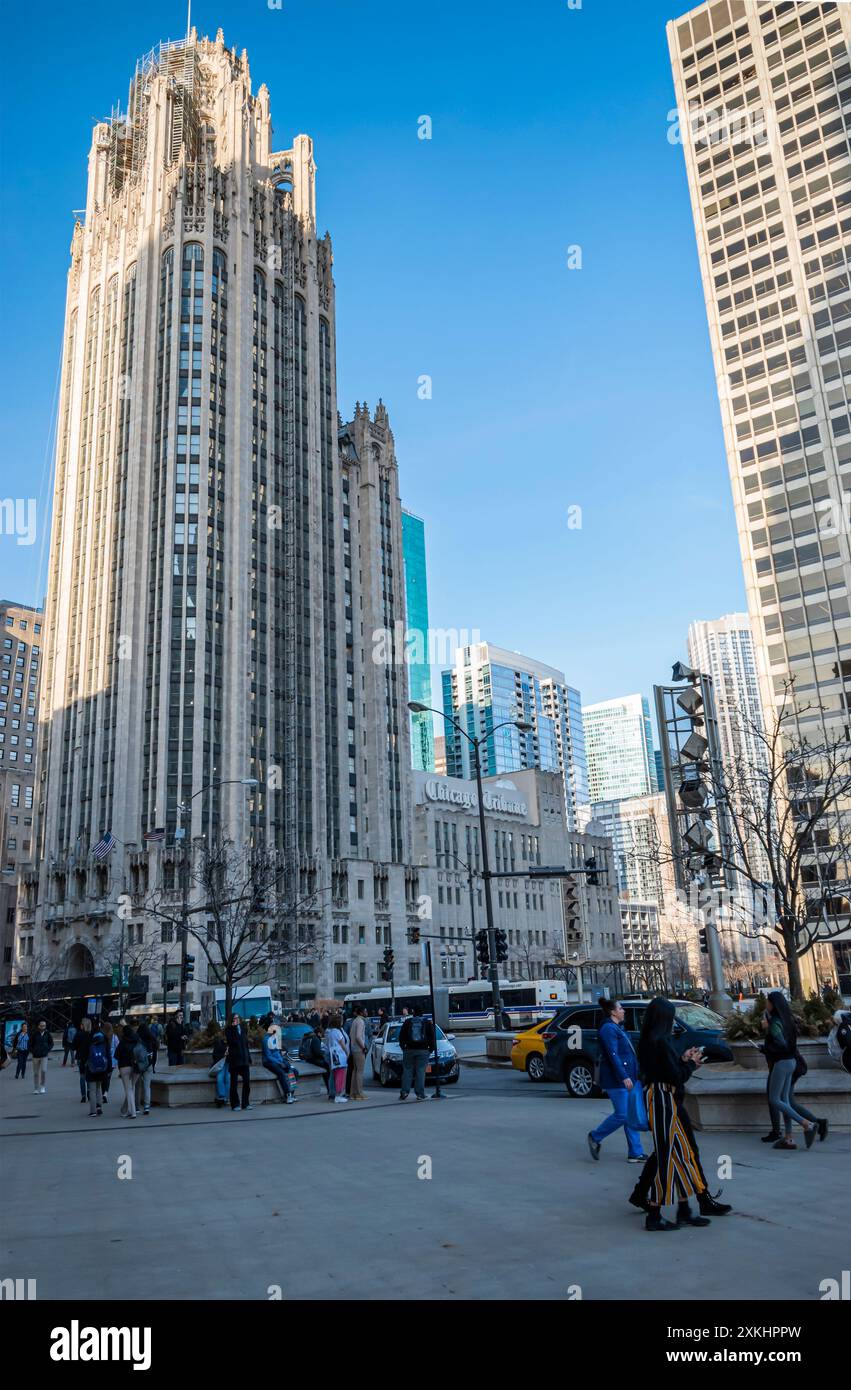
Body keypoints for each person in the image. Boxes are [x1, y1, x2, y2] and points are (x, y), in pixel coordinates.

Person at [636, 997, 711, 1232]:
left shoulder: (649, 1040)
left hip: (658, 1097)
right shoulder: (662, 1041)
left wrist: (682, 1059)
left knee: (678, 1153)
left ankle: (683, 1209)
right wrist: (692, 1064)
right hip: (663, 1099)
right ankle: (655, 1213)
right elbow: (676, 1076)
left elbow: (664, 1069)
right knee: (669, 1155)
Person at [763, 991, 826, 1149]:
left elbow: (780, 1045)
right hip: (792, 1061)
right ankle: (789, 1138)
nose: (765, 1004)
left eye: (767, 1002)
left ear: (773, 1004)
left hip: (782, 1062)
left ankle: (807, 1124)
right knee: (785, 1100)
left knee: (774, 1099)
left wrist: (766, 1040)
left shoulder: (776, 1023)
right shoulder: (788, 1019)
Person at [587, 998, 646, 1164]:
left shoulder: (616, 1028)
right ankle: (595, 1136)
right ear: (613, 1012)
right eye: (620, 1008)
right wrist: (624, 1076)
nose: (623, 1010)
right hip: (617, 1079)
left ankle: (635, 1152)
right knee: (622, 1114)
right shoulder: (608, 1029)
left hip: (628, 1077)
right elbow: (613, 1055)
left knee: (630, 1115)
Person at [398, 1005, 434, 1102]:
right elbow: (431, 1037)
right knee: (421, 1071)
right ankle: (420, 1094)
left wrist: (403, 1047)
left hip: (409, 1050)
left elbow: (401, 1036)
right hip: (423, 1050)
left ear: (413, 1013)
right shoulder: (426, 1022)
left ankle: (404, 1092)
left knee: (407, 1071)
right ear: (422, 1013)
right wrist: (430, 1049)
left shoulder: (407, 1022)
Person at [261, 1021, 297, 1104]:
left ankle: (291, 1093)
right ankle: (287, 1094)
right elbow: (268, 1056)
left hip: (278, 1060)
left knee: (294, 1071)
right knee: (280, 1072)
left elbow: (278, 1053)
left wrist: (282, 1061)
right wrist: (279, 1062)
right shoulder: (266, 1040)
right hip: (268, 1061)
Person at [225, 1013, 252, 1111]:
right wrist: (234, 1028)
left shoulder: (244, 1029)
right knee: (234, 1083)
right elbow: (232, 1041)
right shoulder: (229, 1030)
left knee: (247, 1082)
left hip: (244, 1059)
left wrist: (249, 1057)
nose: (237, 1020)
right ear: (231, 1020)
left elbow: (246, 1044)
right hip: (235, 1060)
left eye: (238, 1018)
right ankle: (235, 1104)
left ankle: (246, 1103)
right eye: (235, 1018)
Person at [85, 1024, 112, 1116]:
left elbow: (84, 1055)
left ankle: (93, 1111)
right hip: (102, 1068)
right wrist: (109, 1068)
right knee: (98, 1087)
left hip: (91, 1069)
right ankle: (99, 1106)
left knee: (92, 1089)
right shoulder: (104, 1040)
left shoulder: (89, 1040)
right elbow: (108, 1055)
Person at [324, 1013, 350, 1103]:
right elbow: (342, 1044)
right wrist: (347, 1053)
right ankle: (338, 1095)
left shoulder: (330, 1032)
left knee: (335, 1075)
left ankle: (335, 1094)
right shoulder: (337, 1032)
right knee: (340, 1075)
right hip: (341, 1056)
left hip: (334, 1057)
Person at [116, 1024, 140, 1118]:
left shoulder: (122, 1042)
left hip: (124, 1067)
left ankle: (132, 1112)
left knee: (128, 1089)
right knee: (131, 1088)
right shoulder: (137, 1040)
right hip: (136, 1067)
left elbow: (116, 1055)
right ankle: (125, 1109)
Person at [348, 1004, 369, 1101]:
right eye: (365, 1011)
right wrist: (363, 1047)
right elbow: (358, 1036)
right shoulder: (361, 1021)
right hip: (359, 1049)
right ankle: (359, 1093)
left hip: (353, 1048)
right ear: (361, 1012)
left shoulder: (354, 1021)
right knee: (360, 1071)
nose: (366, 1012)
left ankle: (353, 1093)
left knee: (355, 1071)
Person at [135, 1020, 155, 1115]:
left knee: (137, 1086)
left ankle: (136, 1106)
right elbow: (154, 1054)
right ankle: (147, 1106)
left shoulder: (137, 1039)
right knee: (147, 1086)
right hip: (148, 1065)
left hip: (139, 1065)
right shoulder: (151, 1039)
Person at [30, 1020, 54, 1094]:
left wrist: (47, 1050)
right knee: (36, 1073)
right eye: (42, 1025)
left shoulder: (47, 1034)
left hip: (44, 1056)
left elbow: (51, 1043)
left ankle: (42, 1086)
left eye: (44, 1025)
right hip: (35, 1056)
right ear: (38, 1026)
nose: (43, 1027)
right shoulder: (34, 1034)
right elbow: (30, 1044)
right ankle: (36, 1088)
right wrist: (33, 1051)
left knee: (43, 1071)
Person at [74, 1018, 92, 1102]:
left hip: (80, 1057)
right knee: (88, 1076)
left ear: (83, 1025)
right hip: (89, 1057)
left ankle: (83, 1095)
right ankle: (89, 1092)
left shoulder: (79, 1034)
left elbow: (74, 1046)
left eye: (81, 1024)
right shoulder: (91, 1034)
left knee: (82, 1076)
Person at [211, 1031, 230, 1108]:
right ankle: (222, 1096)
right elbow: (214, 1056)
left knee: (228, 1078)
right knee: (220, 1078)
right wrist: (223, 1054)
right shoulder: (218, 1043)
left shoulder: (232, 1043)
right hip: (220, 1064)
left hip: (229, 1064)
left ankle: (225, 1098)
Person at [100, 1021, 118, 1102]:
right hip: (112, 1062)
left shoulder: (101, 1037)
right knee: (108, 1078)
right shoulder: (114, 1037)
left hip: (102, 1061)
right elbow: (118, 1047)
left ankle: (102, 1091)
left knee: (102, 1078)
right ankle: (105, 1094)